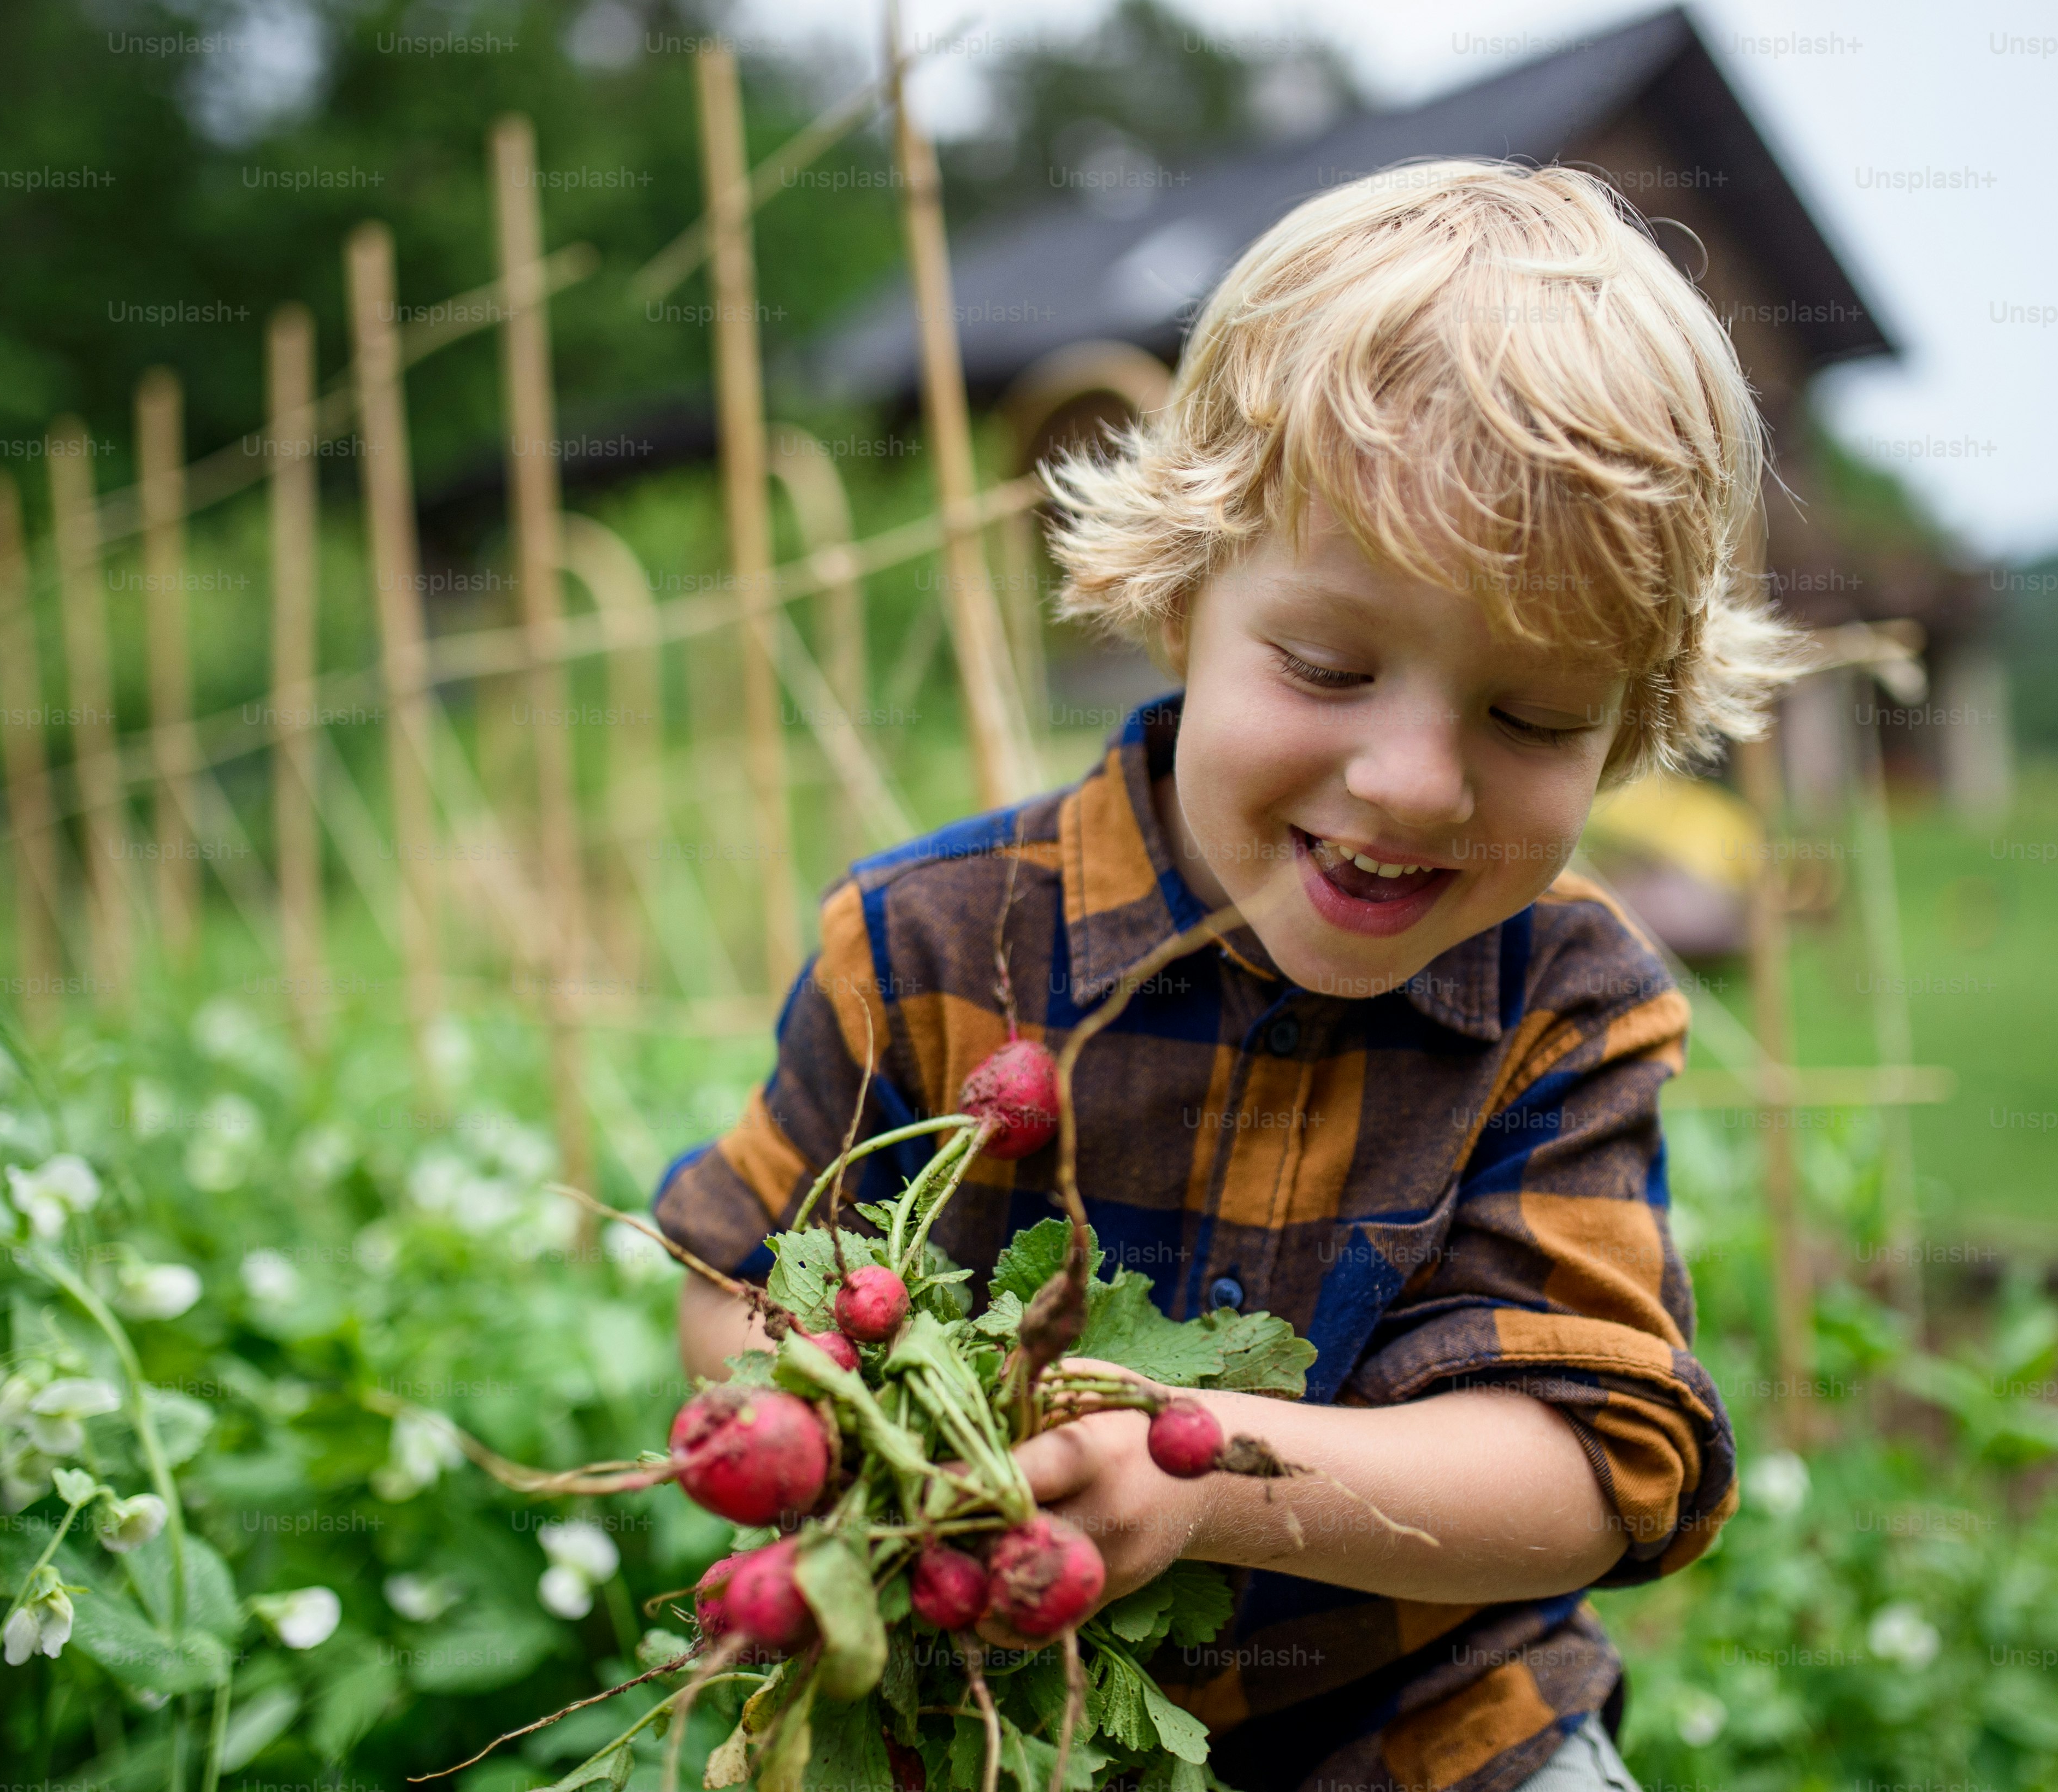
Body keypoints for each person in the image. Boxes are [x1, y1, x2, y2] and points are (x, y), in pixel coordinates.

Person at [657, 157, 1795, 1792]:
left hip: (1430, 1726)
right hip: (992, 1711)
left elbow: (1588, 1468)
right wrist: (868, 1452)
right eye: (1331, 667)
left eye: (1534, 719)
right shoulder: (926, 944)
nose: (1415, 782)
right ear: (1183, 593)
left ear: (1631, 724)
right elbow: (733, 1280)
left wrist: (1210, 1478)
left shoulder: (1569, 1009)